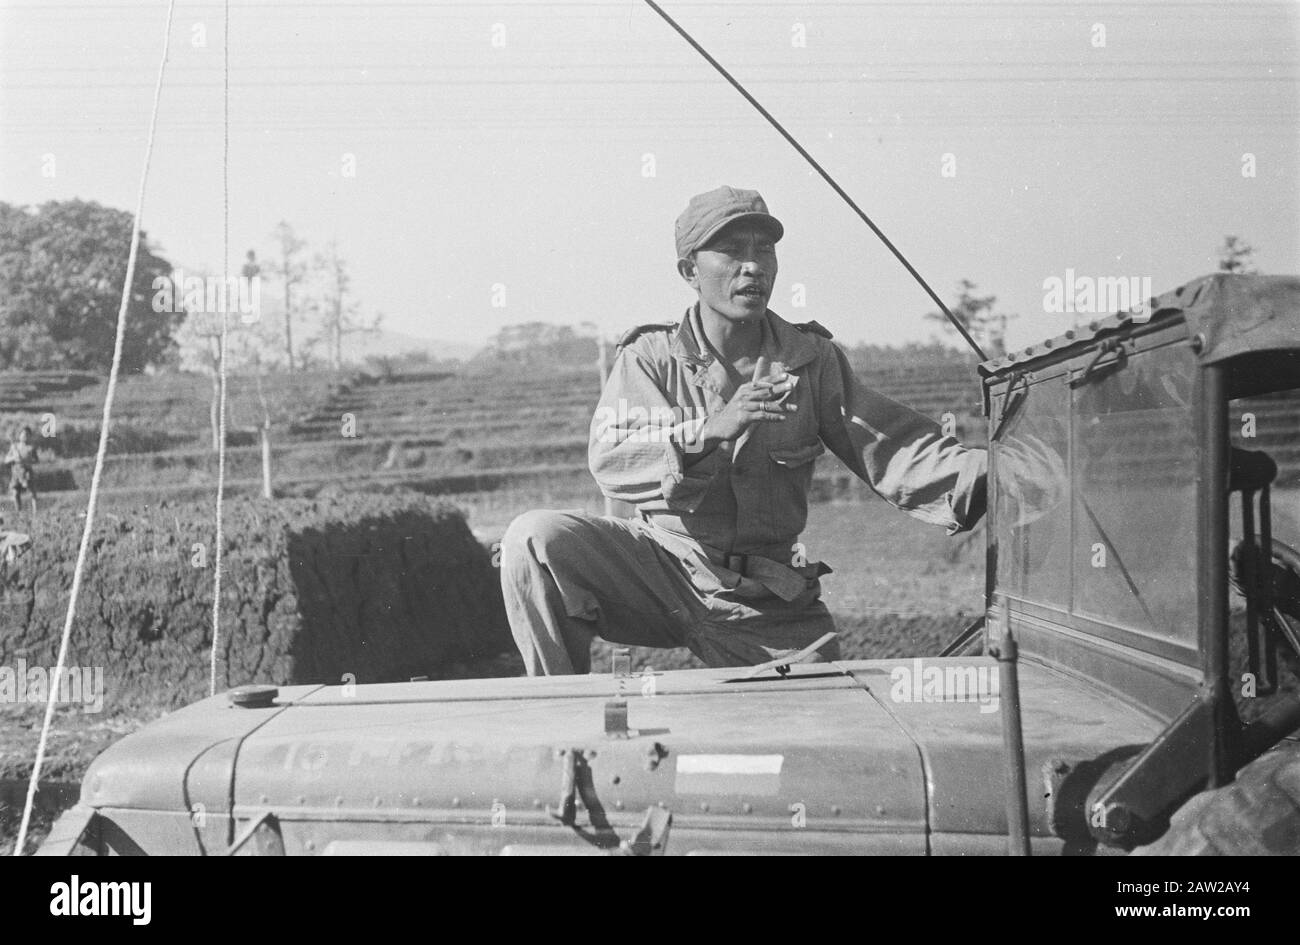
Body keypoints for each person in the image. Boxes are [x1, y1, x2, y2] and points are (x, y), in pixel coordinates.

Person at [500, 185, 987, 675]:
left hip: (765, 596)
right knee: (535, 540)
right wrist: (709, 431)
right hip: (663, 570)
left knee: (819, 727)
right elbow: (613, 455)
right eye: (732, 250)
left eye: (764, 250)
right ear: (690, 270)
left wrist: (991, 471)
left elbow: (895, 445)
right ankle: (558, 719)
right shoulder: (650, 357)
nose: (752, 266)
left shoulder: (810, 361)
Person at [5, 426, 38, 513]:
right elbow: (6, 459)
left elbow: (36, 460)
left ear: (30, 436)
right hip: (16, 472)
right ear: (19, 435)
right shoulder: (14, 447)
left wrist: (28, 461)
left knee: (32, 493)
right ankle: (19, 512)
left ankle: (35, 512)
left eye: (27, 435)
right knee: (15, 493)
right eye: (23, 434)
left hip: (27, 472)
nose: (25, 436)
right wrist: (14, 458)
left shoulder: (31, 448)